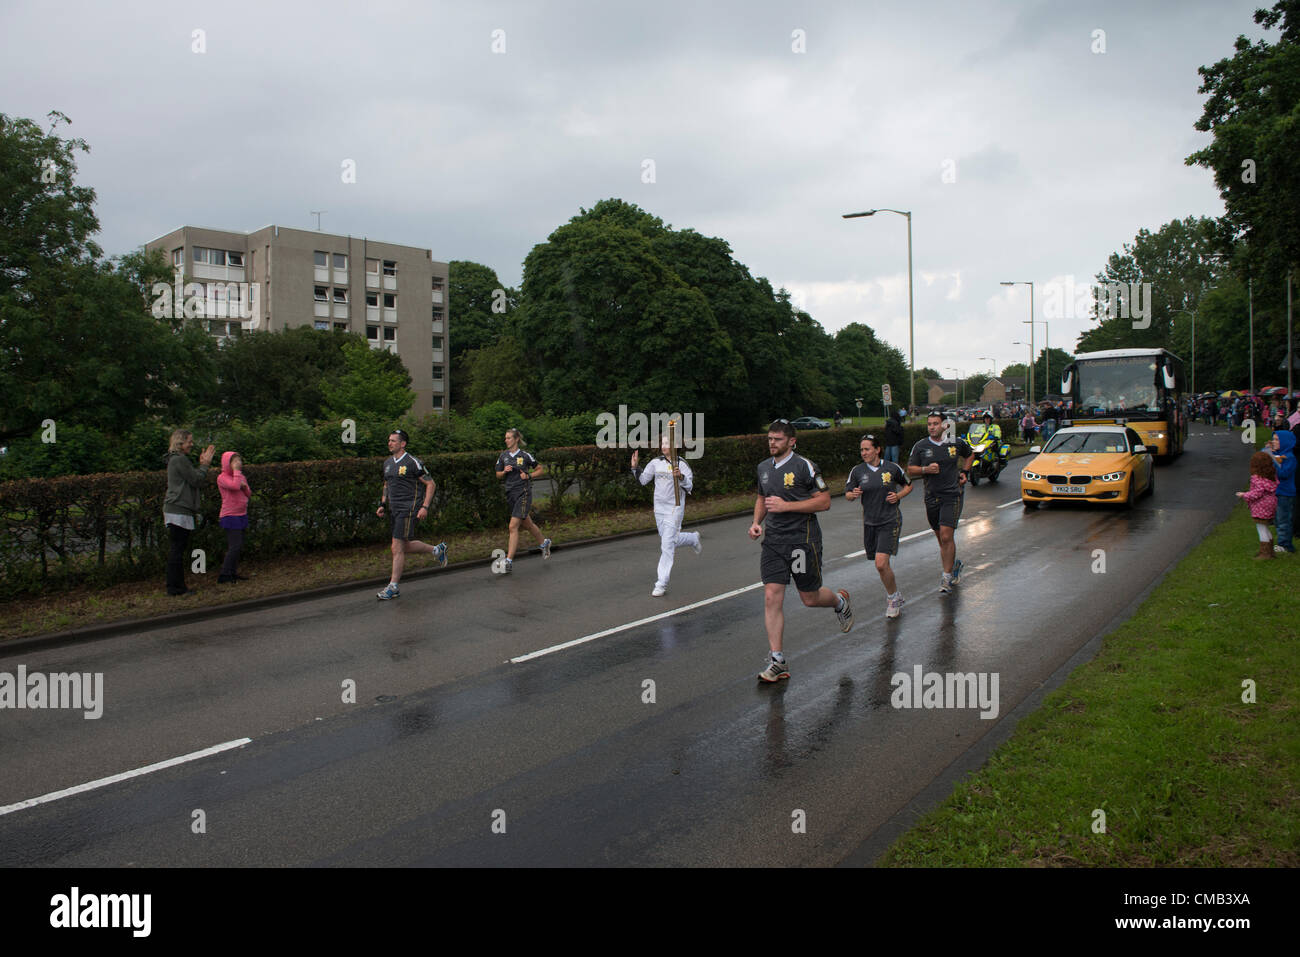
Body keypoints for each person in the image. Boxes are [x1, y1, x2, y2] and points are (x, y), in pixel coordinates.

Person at [749, 420, 854, 683]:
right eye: (770, 439)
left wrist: (787, 507)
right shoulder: (763, 468)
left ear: (791, 441)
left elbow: (825, 501)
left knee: (809, 598)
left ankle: (839, 602)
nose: (772, 443)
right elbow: (762, 498)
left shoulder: (805, 466)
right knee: (772, 596)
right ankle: (777, 660)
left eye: (778, 439)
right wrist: (756, 523)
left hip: (801, 541)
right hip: (774, 542)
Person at [845, 433, 913, 619]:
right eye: (861, 450)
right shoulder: (857, 471)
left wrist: (898, 496)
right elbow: (848, 494)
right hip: (870, 522)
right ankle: (896, 594)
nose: (864, 453)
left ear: (877, 449)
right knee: (881, 564)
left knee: (881, 564)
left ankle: (892, 598)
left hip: (890, 519)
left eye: (867, 449)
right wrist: (853, 494)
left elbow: (908, 485)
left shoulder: (892, 468)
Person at [375, 430, 448, 599]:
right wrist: (382, 504)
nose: (389, 443)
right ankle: (437, 550)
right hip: (394, 509)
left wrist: (425, 507)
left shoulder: (413, 462)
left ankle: (393, 586)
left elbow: (431, 484)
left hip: (409, 508)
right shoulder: (387, 463)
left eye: (393, 441)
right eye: (389, 440)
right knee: (403, 546)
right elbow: (387, 484)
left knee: (397, 548)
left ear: (403, 444)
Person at [908, 411, 974, 594]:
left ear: (944, 425)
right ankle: (954, 564)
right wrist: (925, 469)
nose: (932, 427)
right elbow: (911, 469)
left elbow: (969, 455)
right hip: (931, 496)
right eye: (929, 424)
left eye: (935, 423)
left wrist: (965, 472)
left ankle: (947, 577)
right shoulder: (921, 446)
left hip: (952, 494)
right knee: (941, 539)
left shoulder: (954, 442)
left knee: (946, 536)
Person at [631, 433, 702, 596]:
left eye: (667, 443)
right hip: (659, 509)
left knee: (667, 545)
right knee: (670, 540)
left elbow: (689, 487)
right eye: (662, 443)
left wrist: (681, 477)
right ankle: (692, 538)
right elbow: (642, 480)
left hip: (674, 509)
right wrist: (635, 468)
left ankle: (661, 583)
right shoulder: (655, 463)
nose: (663, 446)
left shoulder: (682, 465)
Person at [163, 429, 215, 596]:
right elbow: (196, 479)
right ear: (181, 442)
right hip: (179, 509)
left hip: (176, 509)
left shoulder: (175, 459)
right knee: (177, 549)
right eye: (189, 441)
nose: (191, 444)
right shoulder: (179, 460)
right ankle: (176, 588)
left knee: (177, 548)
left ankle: (175, 586)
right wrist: (205, 464)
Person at [494, 428, 552, 574]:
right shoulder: (503, 456)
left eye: (508, 438)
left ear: (516, 439)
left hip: (523, 493)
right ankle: (544, 543)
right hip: (510, 494)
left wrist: (529, 476)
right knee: (528, 524)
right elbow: (497, 475)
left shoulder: (525, 455)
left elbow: (540, 469)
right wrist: (503, 471)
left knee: (513, 526)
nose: (506, 440)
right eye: (505, 438)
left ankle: (508, 561)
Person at [217, 450, 251, 583]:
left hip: (242, 514)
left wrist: (244, 487)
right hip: (230, 515)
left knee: (239, 545)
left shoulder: (241, 476)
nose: (239, 463)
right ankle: (224, 575)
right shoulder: (222, 477)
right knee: (234, 546)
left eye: (239, 460)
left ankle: (232, 572)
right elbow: (234, 486)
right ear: (227, 463)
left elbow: (248, 493)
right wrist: (237, 474)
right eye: (235, 461)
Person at [1236, 451, 1278, 560]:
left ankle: (1265, 553)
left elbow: (1257, 493)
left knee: (1261, 528)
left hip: (1261, 506)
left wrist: (1244, 495)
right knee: (1266, 527)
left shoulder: (1256, 477)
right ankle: (1270, 550)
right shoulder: (1271, 476)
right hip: (1271, 503)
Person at [1268, 430, 1296, 554]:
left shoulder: (1289, 457)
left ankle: (1285, 544)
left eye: (1277, 440)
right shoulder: (1278, 455)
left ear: (1285, 442)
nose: (1274, 442)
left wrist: (1274, 460)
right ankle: (1282, 542)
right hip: (1278, 491)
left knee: (1284, 519)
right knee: (1278, 519)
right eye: (1273, 439)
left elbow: (1284, 474)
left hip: (1285, 492)